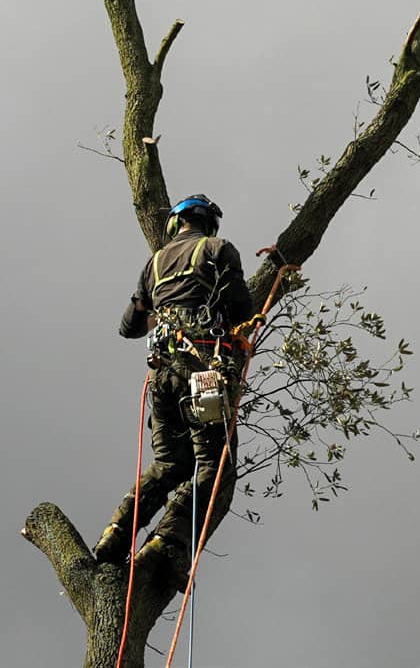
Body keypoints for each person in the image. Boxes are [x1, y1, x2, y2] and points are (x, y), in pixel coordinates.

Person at [92, 194, 255, 573]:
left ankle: (116, 533)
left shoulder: (155, 264)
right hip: (203, 371)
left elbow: (129, 326)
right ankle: (166, 542)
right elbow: (242, 308)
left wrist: (161, 310)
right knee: (216, 467)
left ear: (176, 223)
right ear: (208, 224)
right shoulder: (218, 249)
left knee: (169, 463)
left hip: (162, 376)